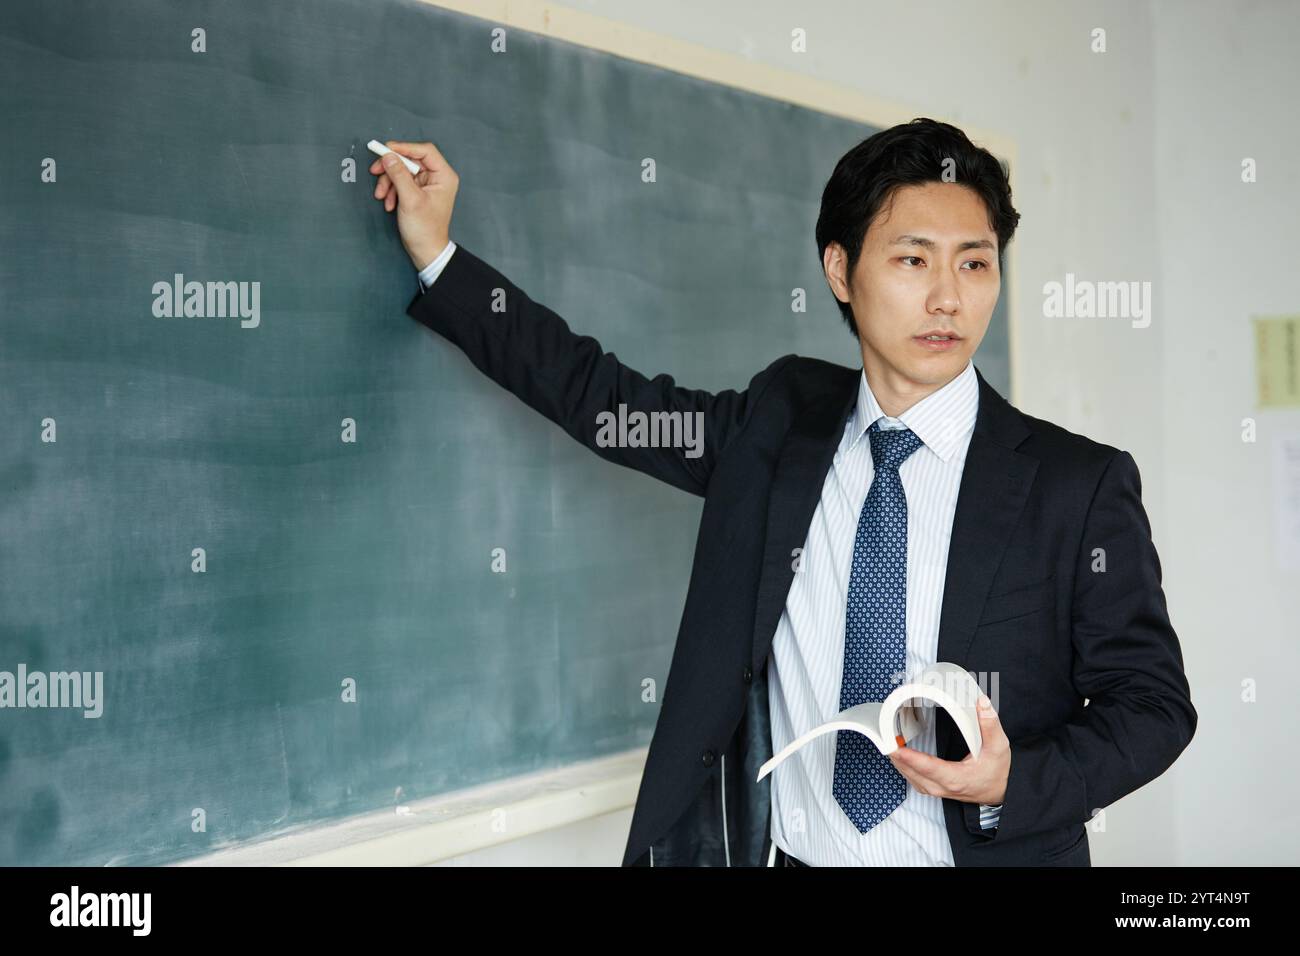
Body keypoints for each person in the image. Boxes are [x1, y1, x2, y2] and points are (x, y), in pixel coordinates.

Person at [368, 118, 1196, 866]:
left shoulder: (1075, 484)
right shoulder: (778, 426)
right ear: (840, 270)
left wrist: (1013, 778)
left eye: (974, 263)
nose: (949, 296)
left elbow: (1154, 705)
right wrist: (439, 254)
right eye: (913, 259)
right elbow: (603, 401)